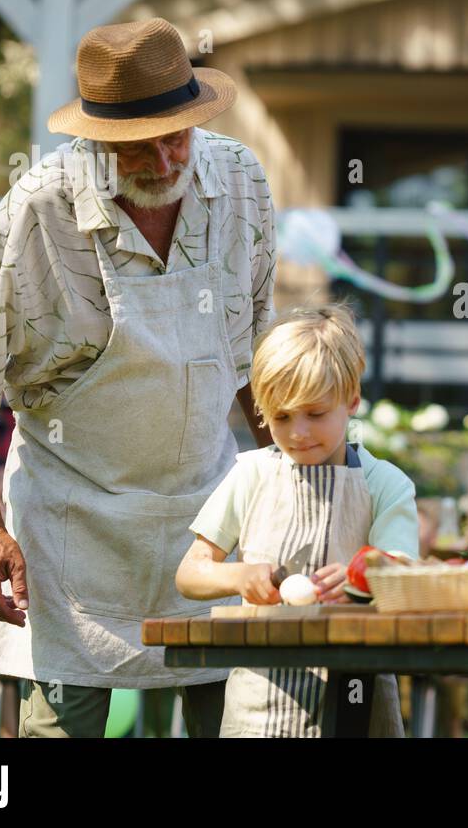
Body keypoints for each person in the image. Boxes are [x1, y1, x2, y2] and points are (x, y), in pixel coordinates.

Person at [0, 17, 278, 737]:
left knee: (243, 725)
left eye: (180, 133)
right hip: (71, 532)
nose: (168, 156)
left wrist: (293, 483)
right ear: (95, 138)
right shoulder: (35, 211)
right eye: (141, 145)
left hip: (211, 522)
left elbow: (259, 359)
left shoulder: (240, 181)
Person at [177, 304, 418, 737]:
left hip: (357, 700)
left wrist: (362, 580)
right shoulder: (250, 474)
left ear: (352, 400)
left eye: (315, 413)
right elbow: (190, 573)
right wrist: (238, 577)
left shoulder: (385, 484)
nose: (298, 433)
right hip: (261, 702)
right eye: (282, 417)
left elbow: (405, 575)